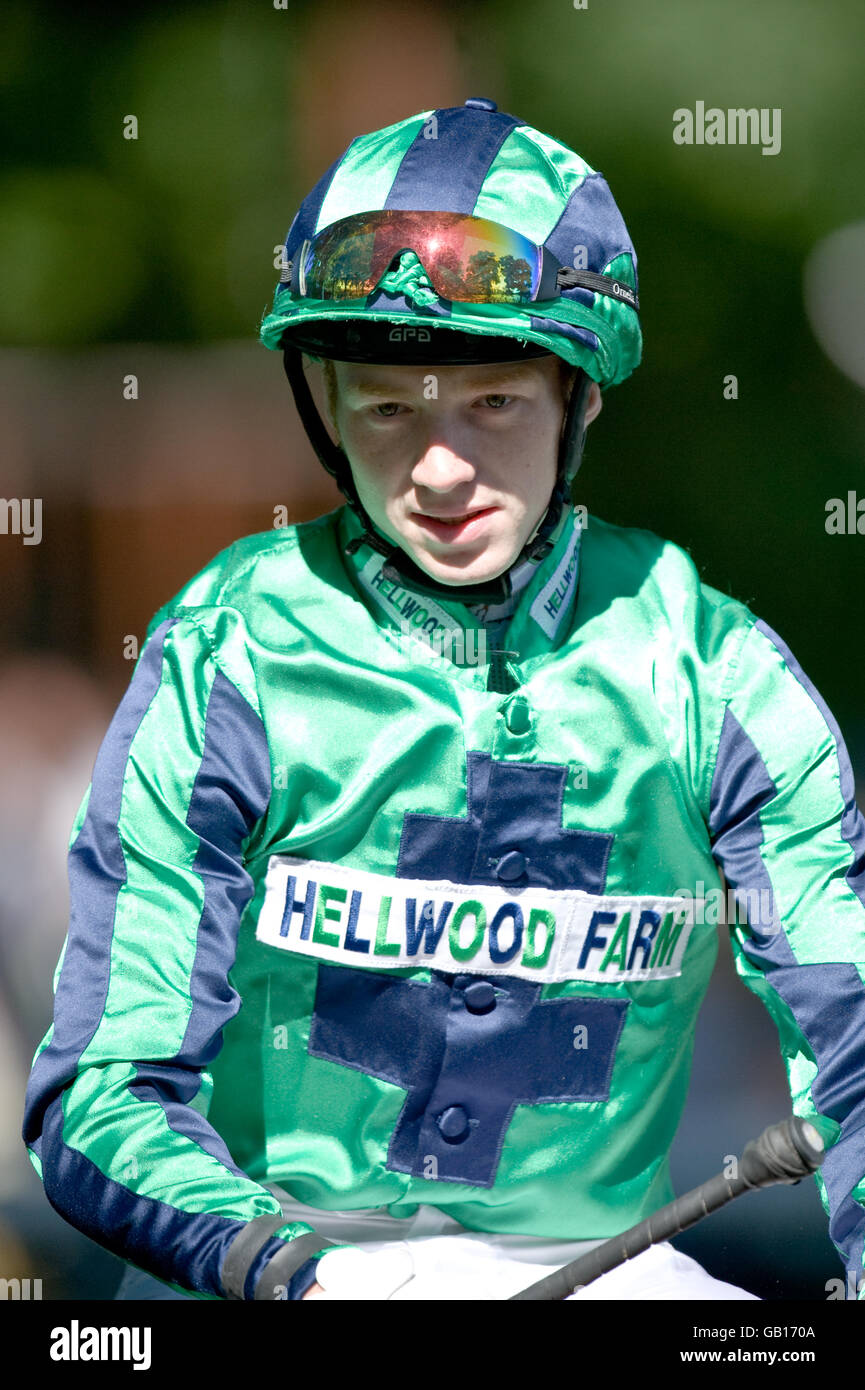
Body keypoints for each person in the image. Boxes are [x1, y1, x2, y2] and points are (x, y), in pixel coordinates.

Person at [22, 98, 865, 1302]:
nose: (437, 467)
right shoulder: (228, 653)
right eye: (385, 408)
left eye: (493, 402)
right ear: (323, 409)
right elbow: (99, 1095)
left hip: (603, 1273)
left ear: (582, 397)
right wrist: (289, 1267)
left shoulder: (721, 675)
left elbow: (856, 1049)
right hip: (261, 1270)